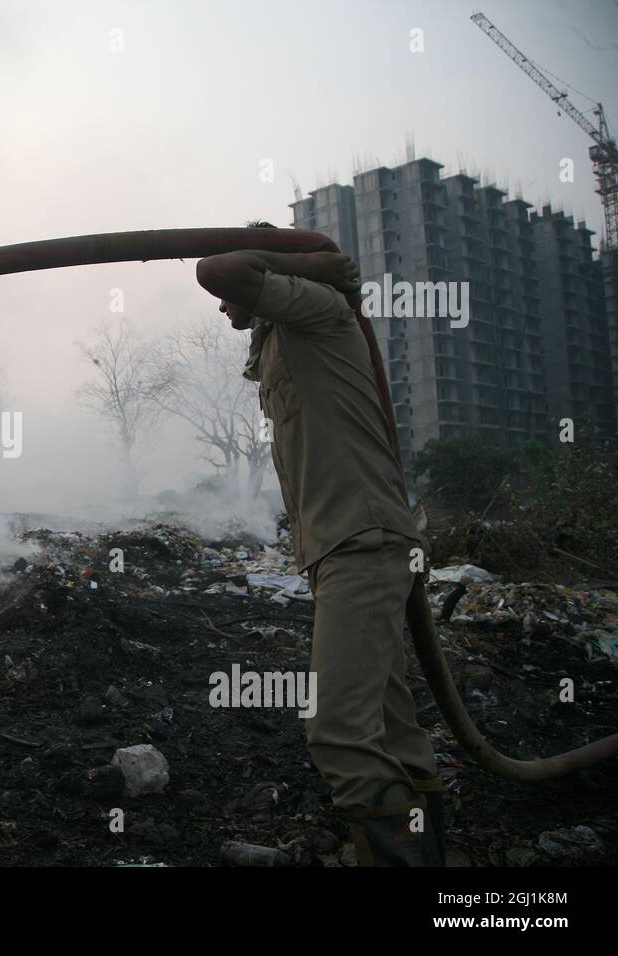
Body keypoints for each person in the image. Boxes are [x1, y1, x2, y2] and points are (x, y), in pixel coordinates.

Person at [195, 226, 444, 866]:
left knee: (338, 736)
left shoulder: (318, 311)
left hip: (362, 541)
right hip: (345, 547)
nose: (222, 307)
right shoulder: (283, 338)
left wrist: (307, 258)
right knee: (394, 732)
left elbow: (217, 268)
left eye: (236, 297)